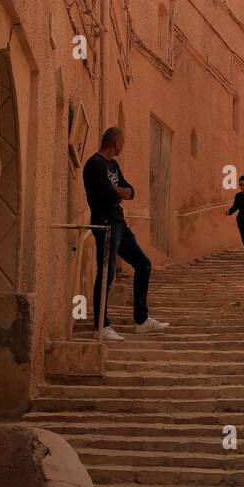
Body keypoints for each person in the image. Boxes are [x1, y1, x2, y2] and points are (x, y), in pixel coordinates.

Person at [82, 126, 169, 341]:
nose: (123, 145)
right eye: (123, 142)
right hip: (105, 224)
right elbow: (110, 196)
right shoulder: (94, 165)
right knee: (106, 273)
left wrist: (120, 193)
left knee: (144, 264)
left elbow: (130, 191)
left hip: (120, 223)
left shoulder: (113, 165)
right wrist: (119, 193)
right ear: (115, 143)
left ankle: (141, 320)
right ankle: (101, 326)